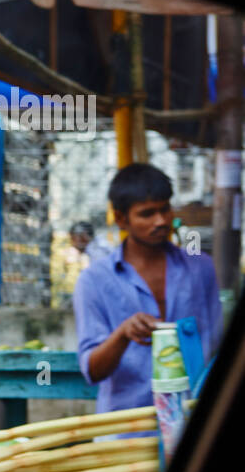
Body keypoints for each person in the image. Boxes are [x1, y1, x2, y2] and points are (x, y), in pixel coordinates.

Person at [73, 163, 222, 413]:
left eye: (165, 209)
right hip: (126, 428)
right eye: (147, 213)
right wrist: (122, 334)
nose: (161, 221)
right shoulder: (94, 281)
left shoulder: (201, 269)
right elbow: (92, 370)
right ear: (121, 219)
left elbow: (216, 342)